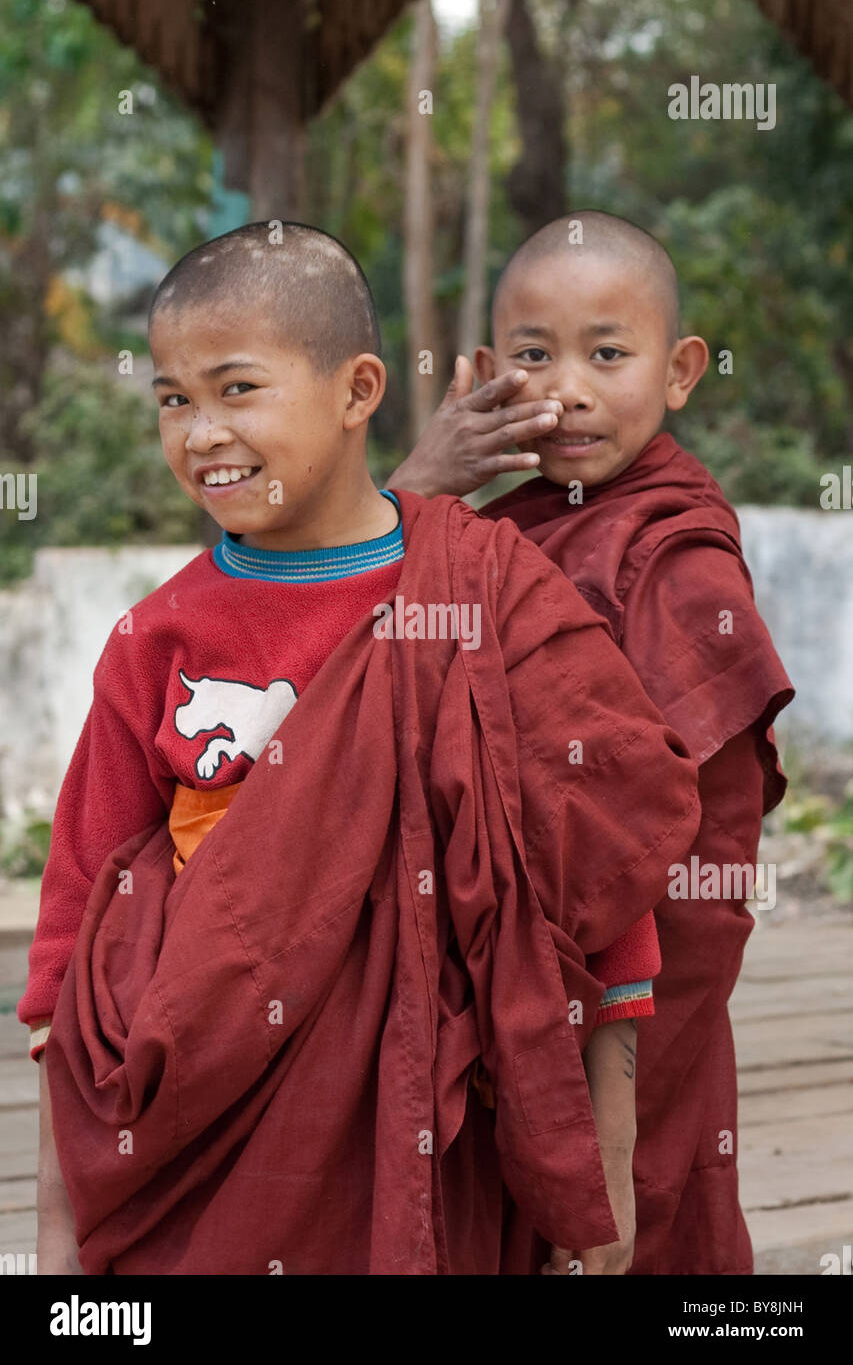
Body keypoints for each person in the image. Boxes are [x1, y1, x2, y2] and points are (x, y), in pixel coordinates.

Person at [20, 220, 700, 1276]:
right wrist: (59, 1230)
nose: (201, 433)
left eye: (237, 388)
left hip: (432, 1102)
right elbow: (83, 913)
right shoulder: (155, 637)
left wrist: (605, 1155)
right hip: (205, 1105)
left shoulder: (490, 592)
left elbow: (598, 879)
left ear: (357, 389)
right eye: (172, 398)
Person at [390, 209, 795, 1275]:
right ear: (483, 371)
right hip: (495, 961)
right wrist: (419, 484)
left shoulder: (674, 552)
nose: (566, 386)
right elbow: (341, 635)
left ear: (679, 370)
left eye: (606, 354)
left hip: (628, 983)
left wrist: (601, 1018)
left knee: (633, 1215)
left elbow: (701, 842)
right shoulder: (494, 520)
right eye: (532, 356)